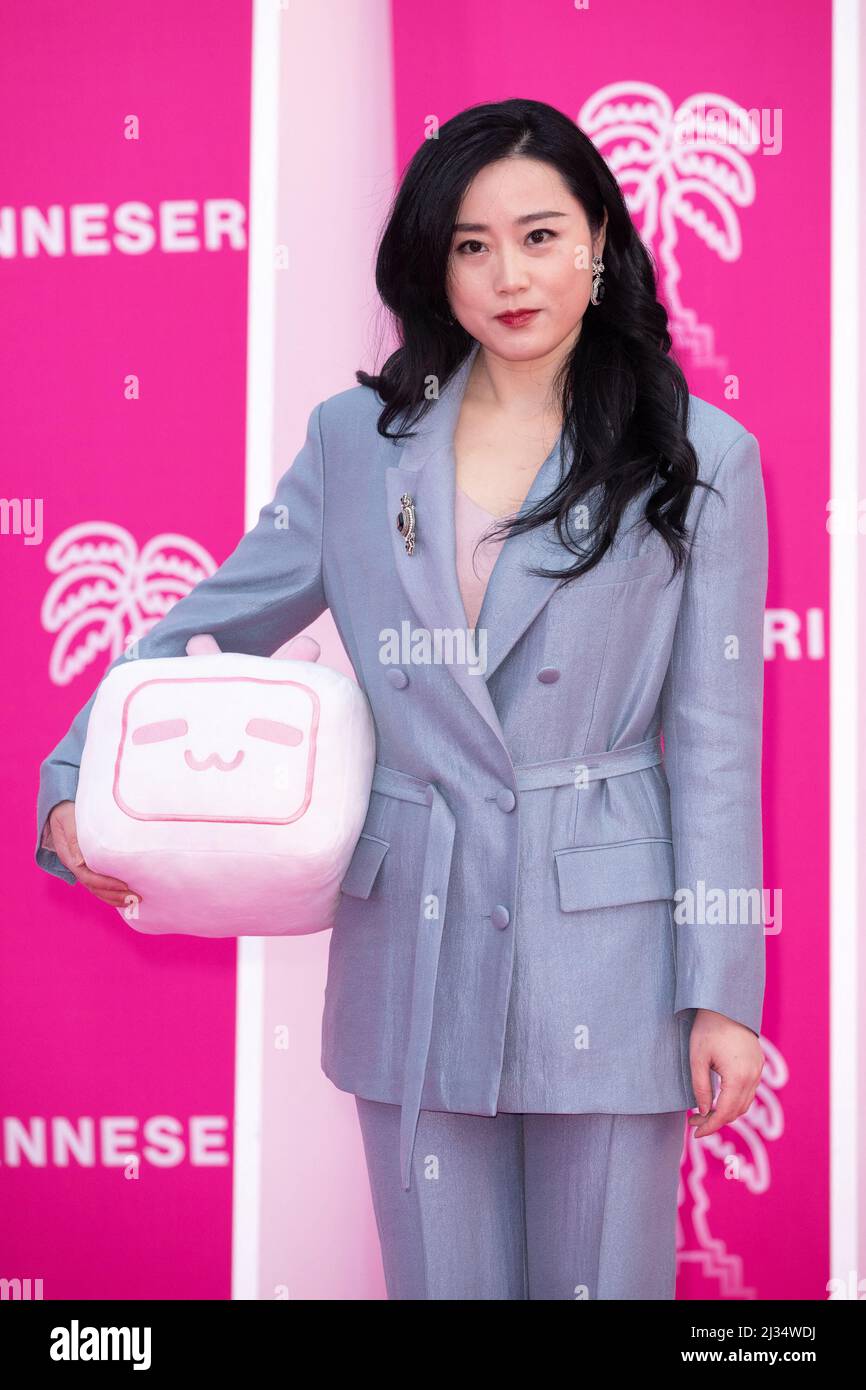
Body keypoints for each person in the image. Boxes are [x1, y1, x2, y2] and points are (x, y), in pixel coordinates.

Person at [36, 97, 768, 1300]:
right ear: (433, 268)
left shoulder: (696, 454)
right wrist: (75, 786)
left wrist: (717, 995)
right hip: (411, 944)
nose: (505, 274)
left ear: (599, 238)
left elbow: (714, 746)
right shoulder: (354, 443)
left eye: (537, 235)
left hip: (612, 950)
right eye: (469, 245)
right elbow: (204, 627)